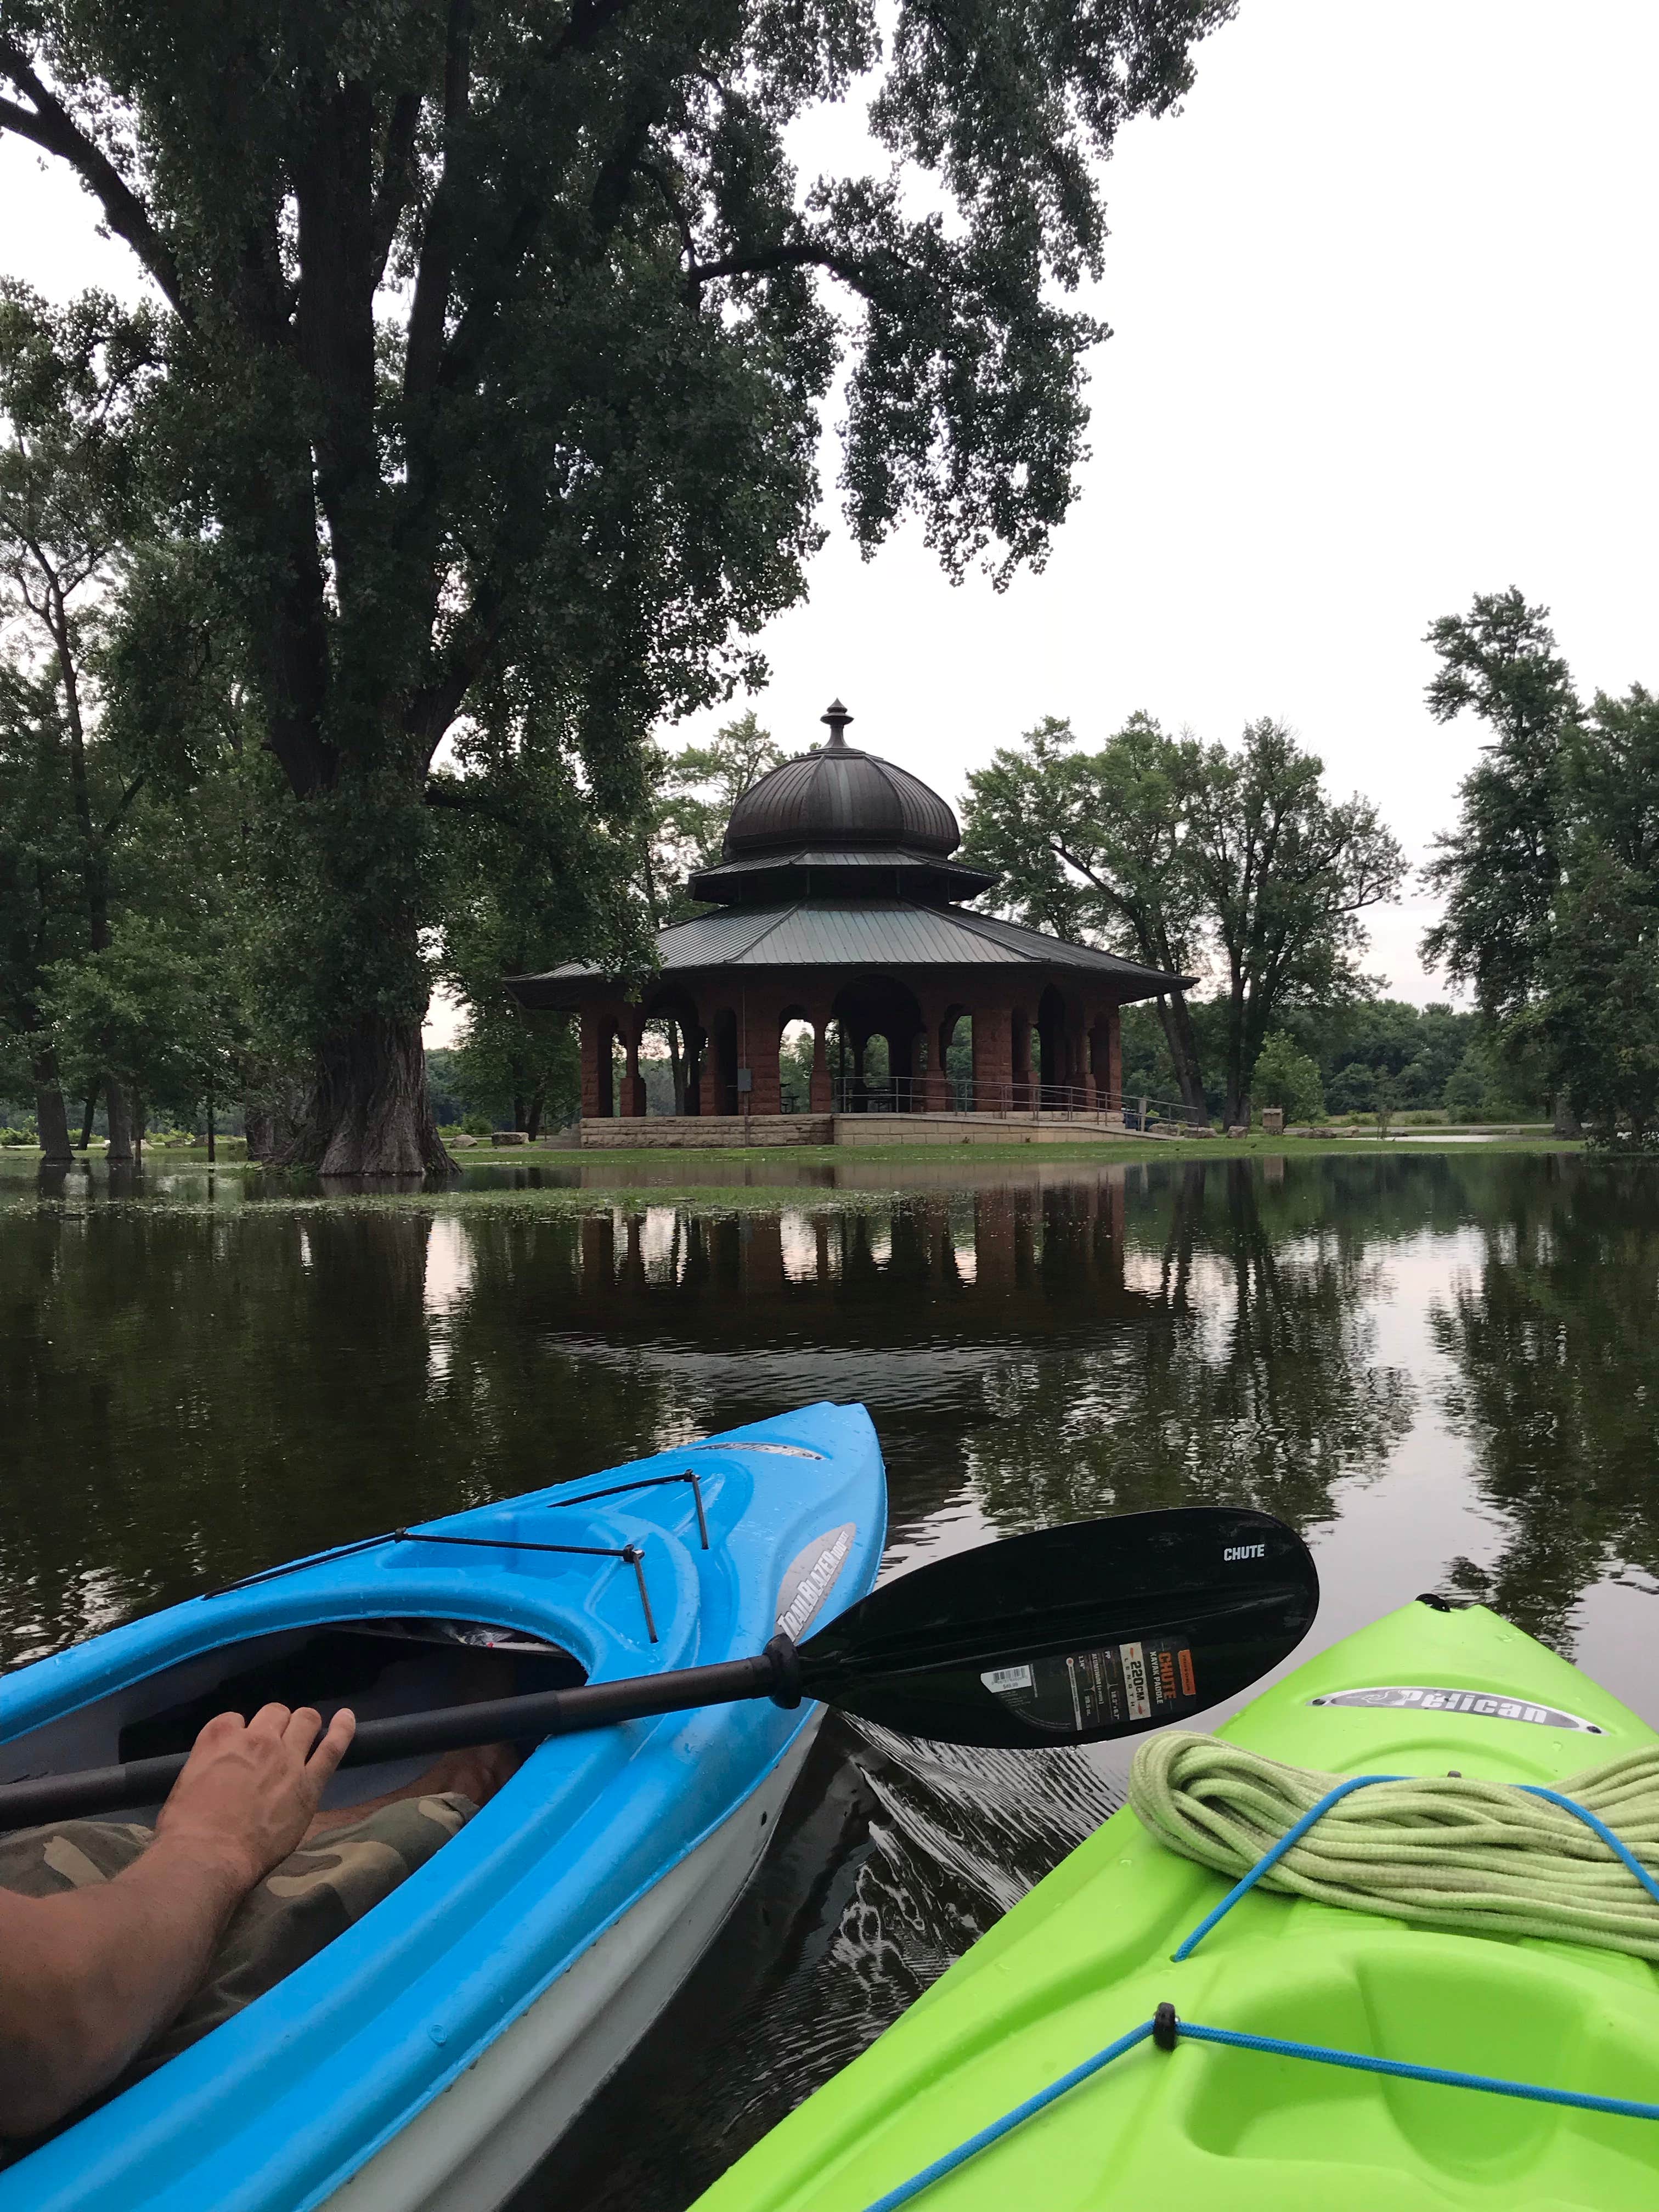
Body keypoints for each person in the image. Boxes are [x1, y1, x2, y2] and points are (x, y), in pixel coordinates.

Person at [0, 1701, 516, 2142]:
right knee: (413, 1834)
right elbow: (70, 2011)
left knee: (63, 1845)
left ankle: (269, 1828)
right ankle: (461, 1786)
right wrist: (212, 1840)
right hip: (62, 2043)